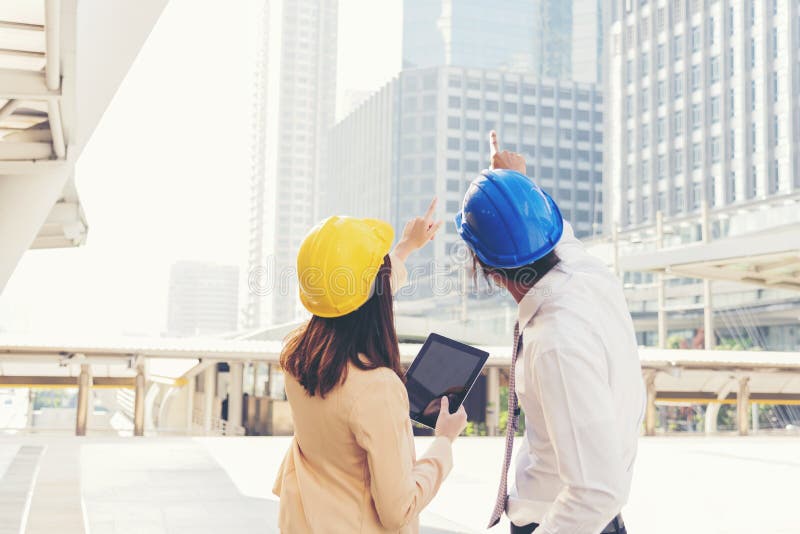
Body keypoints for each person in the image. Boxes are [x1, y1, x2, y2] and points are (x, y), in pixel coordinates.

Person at [454, 132, 645, 534]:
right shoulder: (586, 271)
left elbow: (597, 493)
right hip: (570, 512)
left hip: (567, 520)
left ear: (487, 270)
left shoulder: (554, 342)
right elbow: (544, 233)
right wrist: (513, 186)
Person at [273, 201, 469, 533]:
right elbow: (398, 510)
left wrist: (406, 248)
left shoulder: (298, 359)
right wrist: (444, 441)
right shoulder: (375, 387)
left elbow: (358, 292)